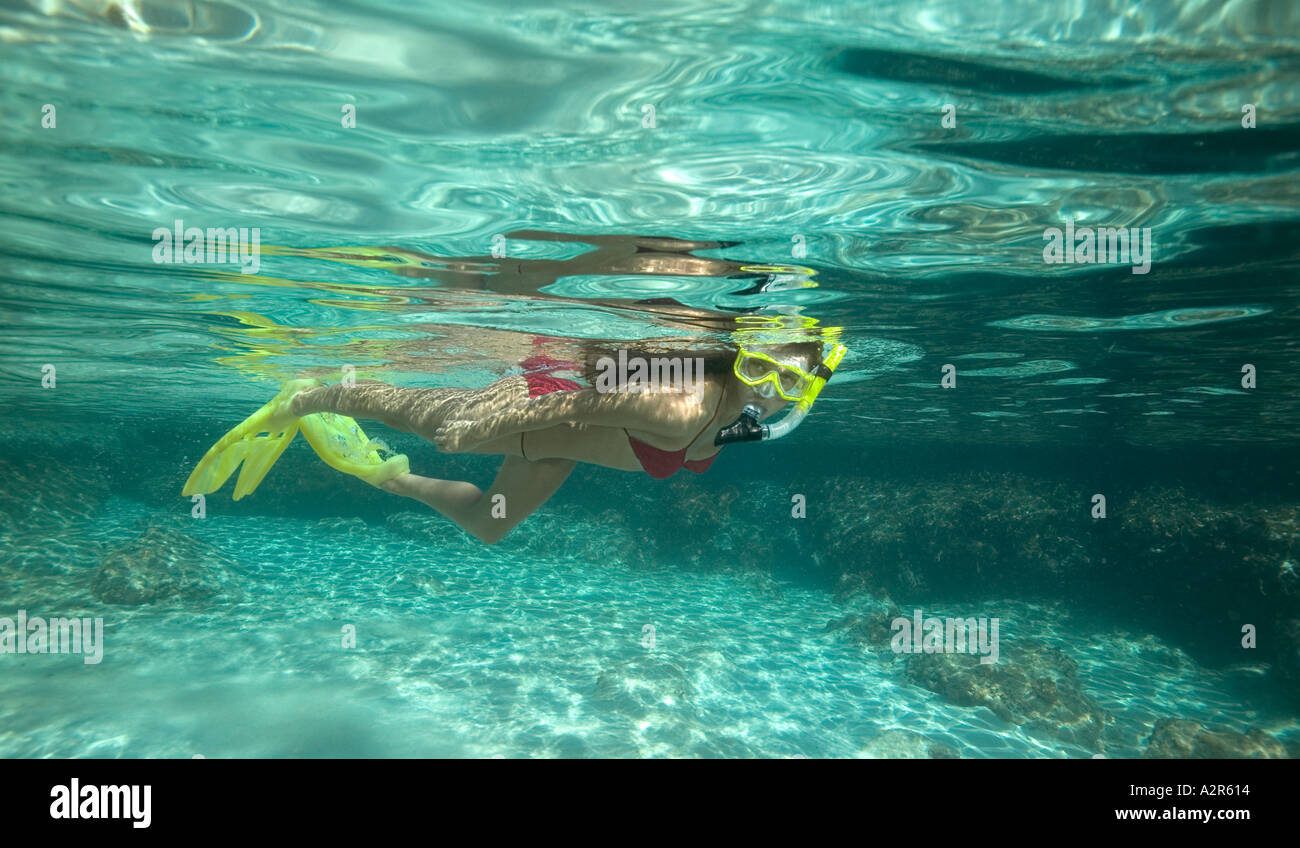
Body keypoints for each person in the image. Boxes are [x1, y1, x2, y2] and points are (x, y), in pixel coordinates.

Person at [183, 328, 847, 543]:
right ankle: (311, 397)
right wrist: (482, 423)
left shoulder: (752, 417)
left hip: (563, 443)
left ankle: (381, 471)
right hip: (548, 417)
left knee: (488, 525)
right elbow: (576, 391)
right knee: (448, 430)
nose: (768, 393)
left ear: (816, 381)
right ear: (740, 353)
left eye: (791, 385)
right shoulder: (678, 407)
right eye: (759, 369)